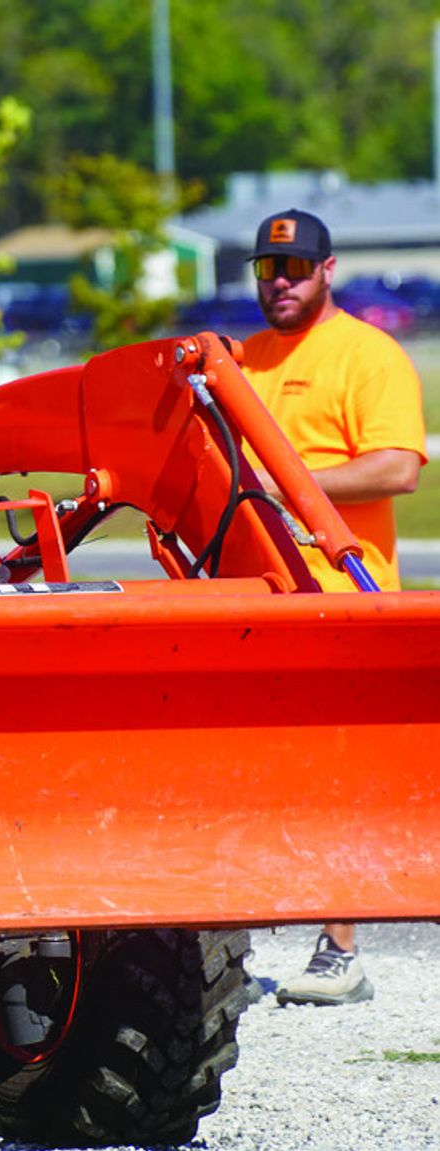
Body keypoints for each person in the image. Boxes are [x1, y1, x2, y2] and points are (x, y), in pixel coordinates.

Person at [239, 208, 427, 1008]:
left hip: (341, 593)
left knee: (335, 774)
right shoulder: (238, 361)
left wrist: (291, 490)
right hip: (248, 594)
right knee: (244, 772)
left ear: (327, 270)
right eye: (266, 268)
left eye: (294, 268)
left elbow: (397, 467)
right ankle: (224, 955)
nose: (279, 281)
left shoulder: (367, 355)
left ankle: (339, 949)